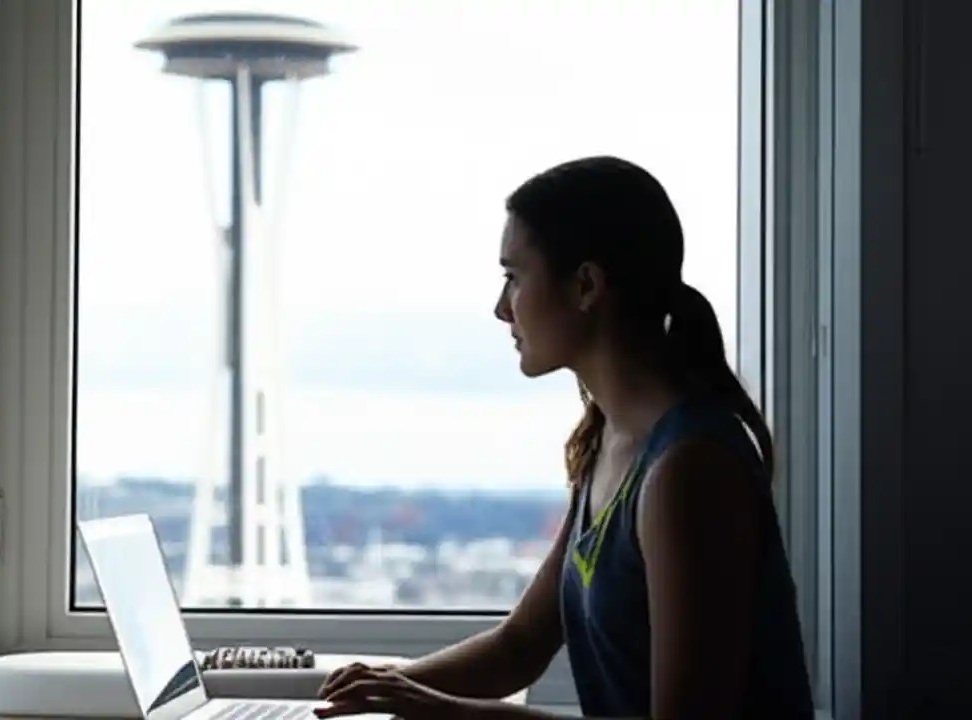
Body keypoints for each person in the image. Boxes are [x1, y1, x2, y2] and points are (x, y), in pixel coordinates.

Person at [314, 156, 814, 719]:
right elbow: (518, 647)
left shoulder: (688, 469)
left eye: (514, 276)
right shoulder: (608, 441)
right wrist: (376, 689)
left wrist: (442, 711)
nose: (502, 307)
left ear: (585, 285)